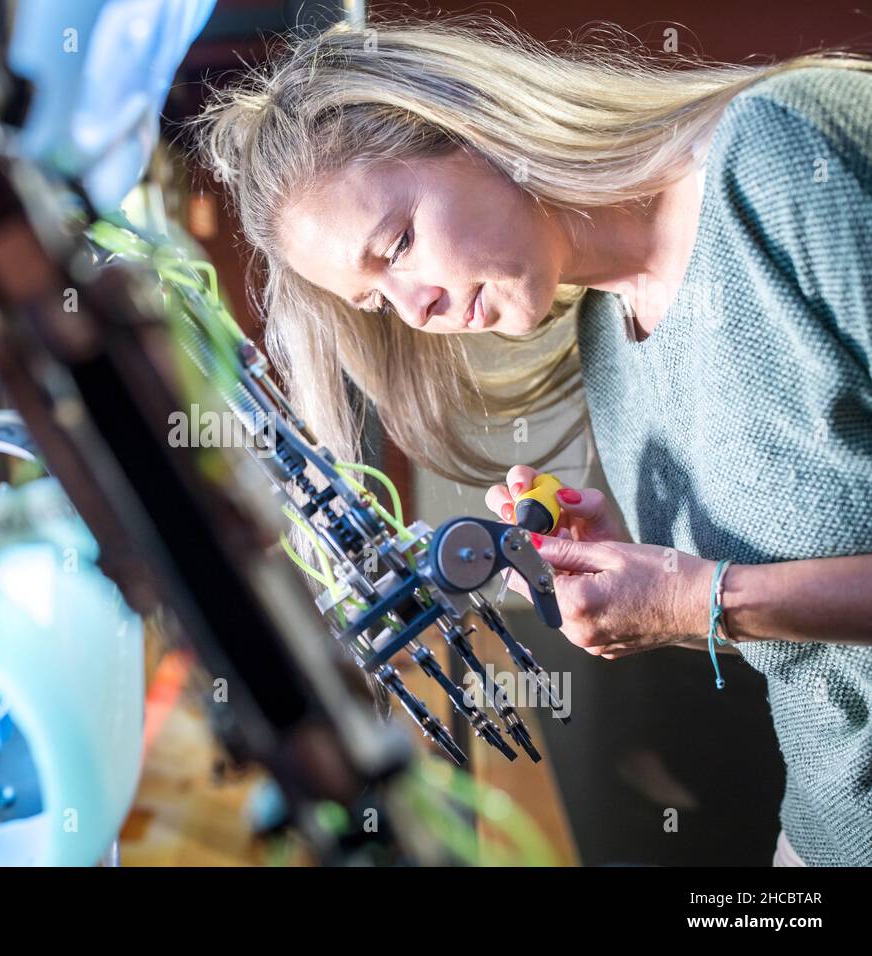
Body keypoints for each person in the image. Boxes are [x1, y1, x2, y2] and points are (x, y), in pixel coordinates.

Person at [197, 15, 872, 866]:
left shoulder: (783, 157)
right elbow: (815, 640)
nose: (418, 309)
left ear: (478, 127)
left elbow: (735, 595)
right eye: (377, 300)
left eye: (399, 245)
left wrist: (701, 599)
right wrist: (647, 581)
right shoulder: (611, 343)